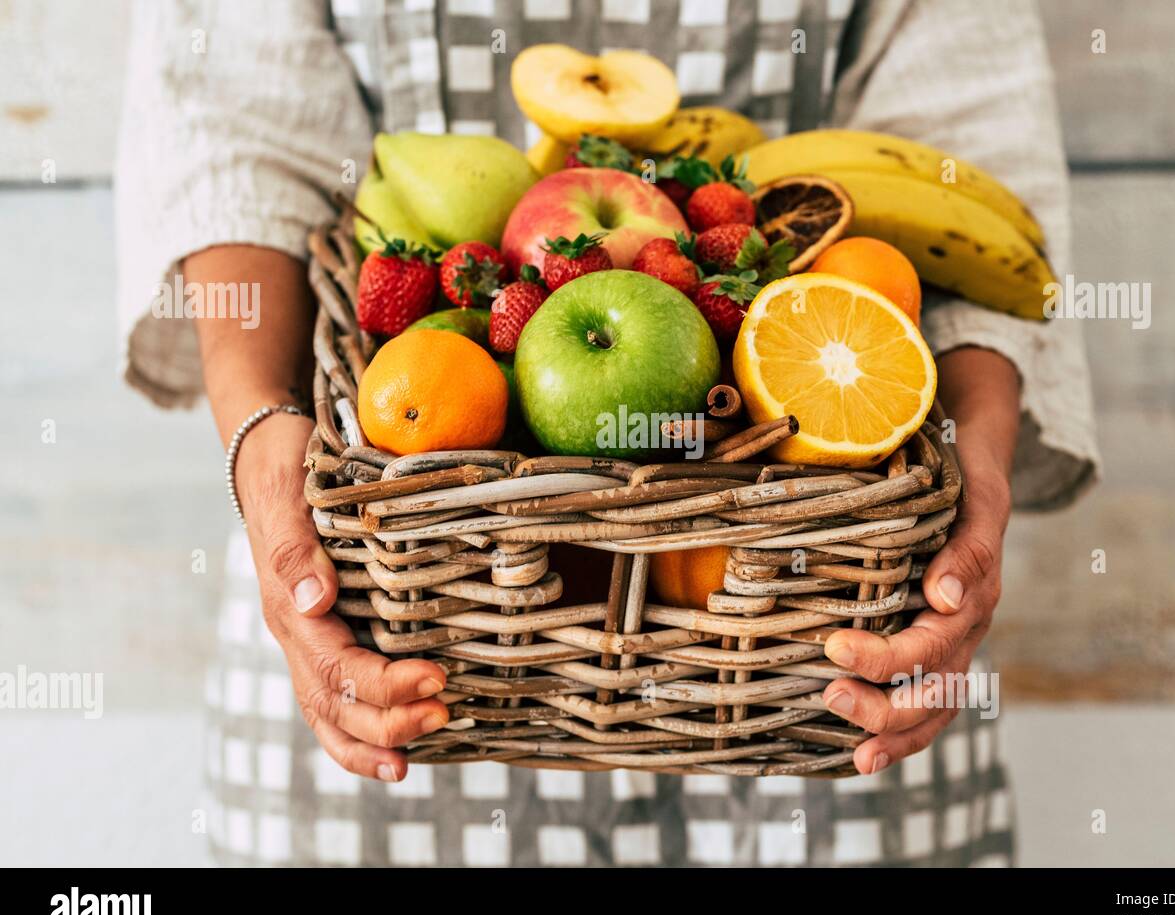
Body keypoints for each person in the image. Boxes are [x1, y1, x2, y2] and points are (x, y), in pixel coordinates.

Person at [116, 0, 1098, 866]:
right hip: (395, 628)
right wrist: (261, 431)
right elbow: (234, 133)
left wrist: (976, 473)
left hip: (818, 646)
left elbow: (971, 144)